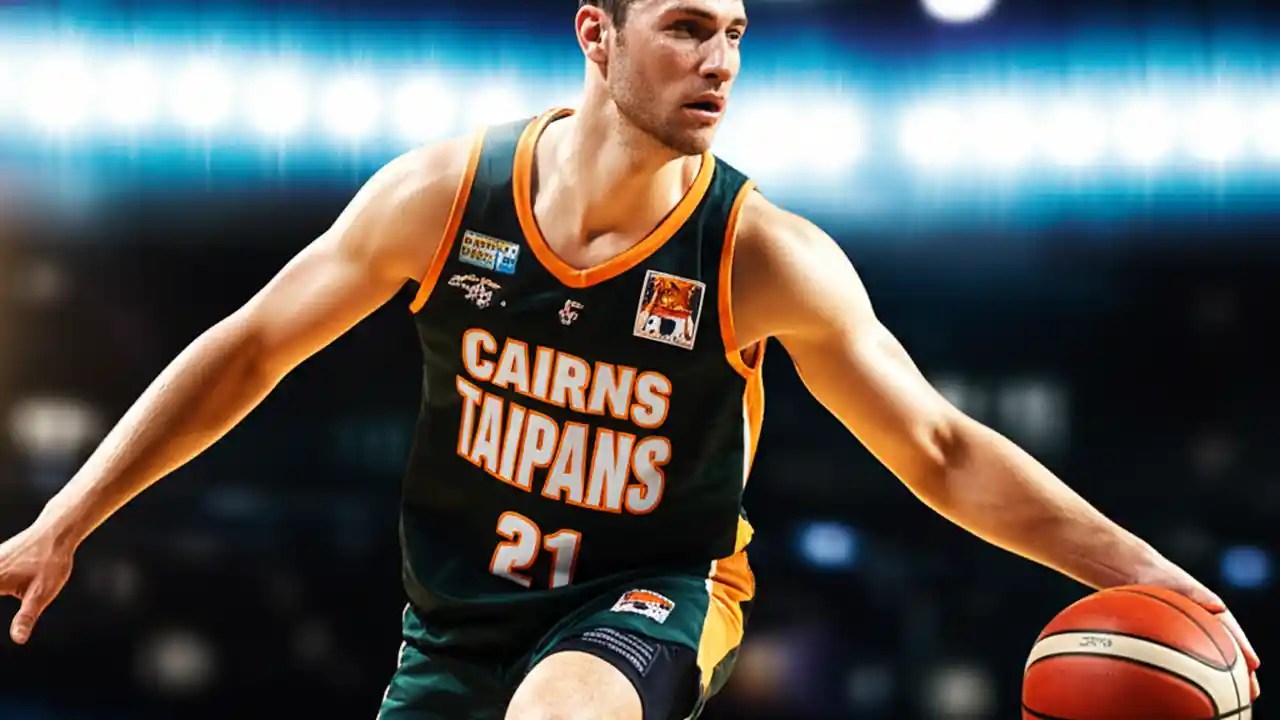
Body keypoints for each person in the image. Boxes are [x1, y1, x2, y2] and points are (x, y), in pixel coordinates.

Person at [0, 0, 1261, 718]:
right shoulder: (443, 197)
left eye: (736, 33)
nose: (719, 61)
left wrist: (1147, 571)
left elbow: (937, 449)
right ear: (595, 35)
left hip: (655, 595)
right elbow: (247, 351)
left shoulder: (760, 253)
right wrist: (67, 520)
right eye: (686, 28)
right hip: (451, 623)